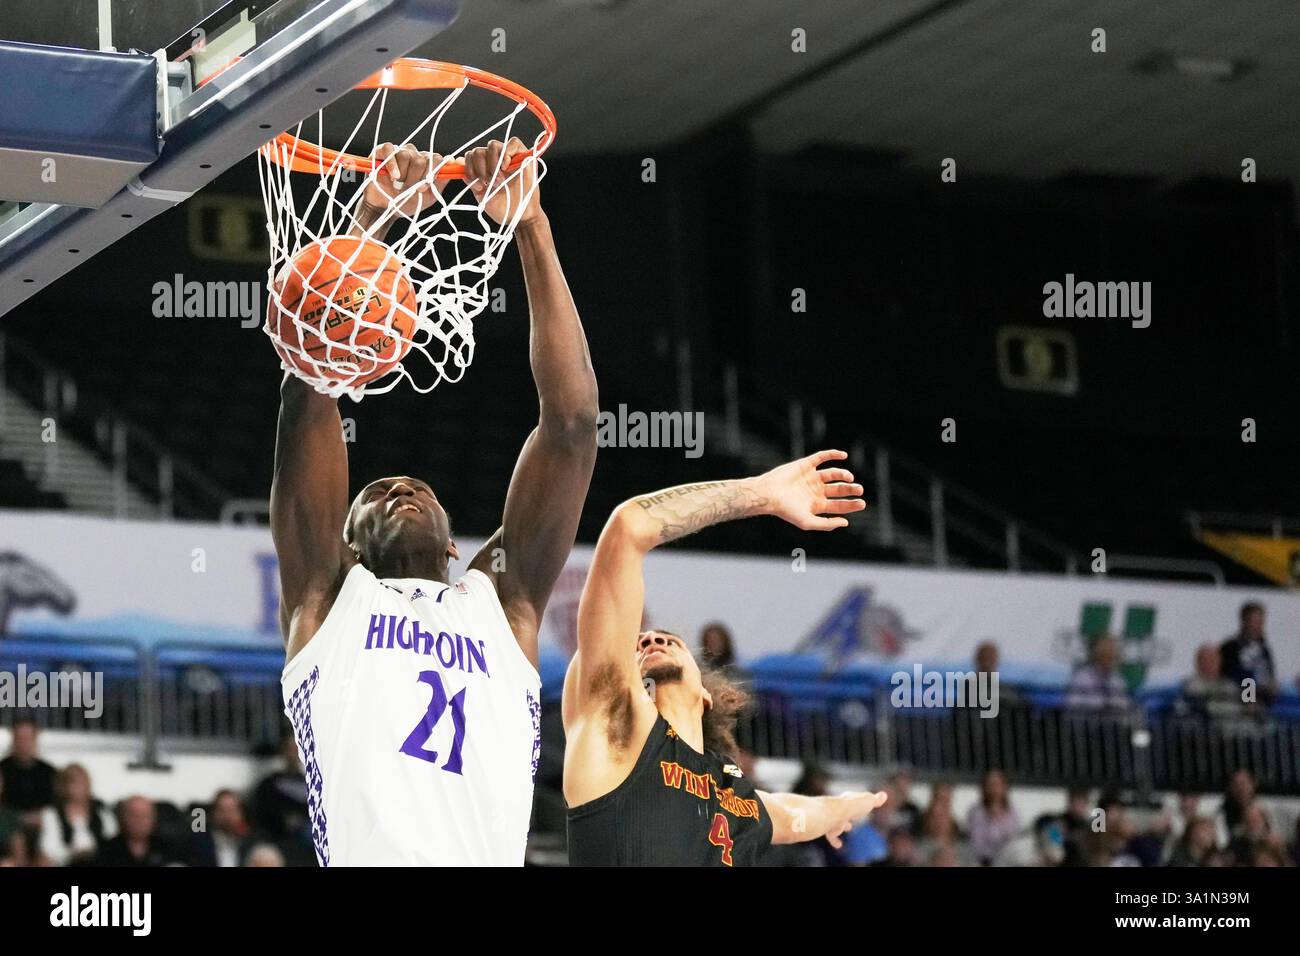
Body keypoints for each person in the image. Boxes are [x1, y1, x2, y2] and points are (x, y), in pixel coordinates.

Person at [271, 140, 597, 866]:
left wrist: (532, 226)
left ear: (458, 545)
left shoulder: (502, 603)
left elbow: (572, 427)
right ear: (344, 541)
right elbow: (307, 399)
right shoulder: (327, 597)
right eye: (376, 493)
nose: (401, 486)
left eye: (417, 489)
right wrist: (371, 226)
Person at [562, 451, 887, 865]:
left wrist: (845, 808)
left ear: (707, 694)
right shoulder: (617, 732)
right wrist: (762, 493)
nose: (648, 640)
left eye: (667, 639)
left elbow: (794, 813)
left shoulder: (735, 798)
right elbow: (628, 527)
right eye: (638, 644)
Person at [37, 763, 116, 866]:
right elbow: (48, 849)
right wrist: (73, 854)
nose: (78, 787)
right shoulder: (51, 814)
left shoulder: (101, 812)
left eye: (82, 783)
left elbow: (113, 840)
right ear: (63, 786)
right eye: (73, 783)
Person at [93, 796, 182, 867]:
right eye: (134, 815)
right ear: (123, 818)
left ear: (154, 818)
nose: (140, 821)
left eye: (145, 816)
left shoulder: (169, 849)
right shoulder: (107, 851)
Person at [0, 718, 57, 825]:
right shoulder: (2, 770)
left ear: (35, 740)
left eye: (28, 738)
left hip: (43, 826)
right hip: (8, 828)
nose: (23, 743)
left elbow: (58, 805)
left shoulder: (50, 772)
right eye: (19, 738)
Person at [1219, 602, 1278, 706]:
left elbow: (1270, 674)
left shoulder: (1264, 649)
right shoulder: (1230, 648)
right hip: (1237, 701)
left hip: (1262, 701)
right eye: (1254, 621)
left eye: (1261, 621)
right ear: (1244, 621)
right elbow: (1227, 677)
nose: (1259, 626)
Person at [966, 769, 1020, 864]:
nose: (994, 789)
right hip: (981, 861)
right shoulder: (976, 812)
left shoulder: (1013, 813)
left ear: (1005, 787)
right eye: (991, 784)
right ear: (984, 788)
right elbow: (976, 844)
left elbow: (1012, 842)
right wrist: (993, 821)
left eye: (998, 784)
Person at [1065, 634, 1130, 711]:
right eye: (1105, 652)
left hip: (1113, 720)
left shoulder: (1117, 679)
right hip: (1088, 719)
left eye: (1112, 652)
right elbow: (1072, 704)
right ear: (1096, 654)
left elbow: (1124, 704)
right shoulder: (1082, 677)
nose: (1109, 655)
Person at [190, 789, 252, 867]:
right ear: (213, 813)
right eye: (222, 810)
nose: (227, 816)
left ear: (241, 813)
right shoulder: (200, 844)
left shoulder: (251, 842)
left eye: (231, 810)